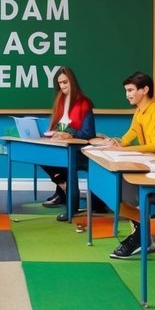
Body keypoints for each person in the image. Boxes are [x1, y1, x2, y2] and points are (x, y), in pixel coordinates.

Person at [92, 71, 155, 259]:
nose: (128, 95)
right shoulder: (139, 112)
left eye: (131, 90)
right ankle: (141, 234)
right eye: (126, 91)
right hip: (149, 163)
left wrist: (124, 151)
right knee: (118, 190)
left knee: (129, 190)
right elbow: (130, 134)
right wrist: (116, 143)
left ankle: (141, 235)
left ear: (145, 89)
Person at [39, 67, 96, 222]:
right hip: (65, 148)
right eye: (60, 83)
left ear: (72, 82)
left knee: (64, 163)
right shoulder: (62, 102)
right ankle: (63, 187)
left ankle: (69, 200)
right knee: (41, 155)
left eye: (65, 82)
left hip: (80, 150)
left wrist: (69, 135)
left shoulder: (84, 103)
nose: (63, 86)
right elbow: (62, 127)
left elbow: (88, 133)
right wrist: (55, 133)